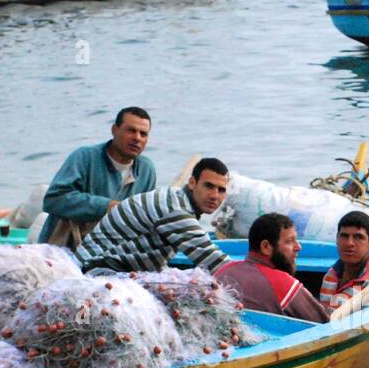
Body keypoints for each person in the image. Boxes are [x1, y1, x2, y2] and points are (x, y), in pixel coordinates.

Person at [76, 157, 230, 274]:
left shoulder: (175, 197)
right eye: (208, 186)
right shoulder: (175, 210)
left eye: (221, 190)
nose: (214, 195)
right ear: (192, 183)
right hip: (94, 270)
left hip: (109, 266)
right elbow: (212, 259)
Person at [39, 107, 157, 248]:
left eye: (143, 134)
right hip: (64, 248)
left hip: (113, 252)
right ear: (114, 130)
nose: (137, 138)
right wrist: (106, 206)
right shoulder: (84, 157)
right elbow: (53, 200)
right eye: (131, 130)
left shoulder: (146, 170)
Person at [216, 213, 331, 323]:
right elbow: (325, 323)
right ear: (266, 247)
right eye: (290, 241)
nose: (298, 247)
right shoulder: (282, 283)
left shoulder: (223, 270)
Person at [319, 211, 369, 313]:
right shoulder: (331, 273)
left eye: (358, 237)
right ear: (337, 238)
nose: (349, 243)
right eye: (344, 236)